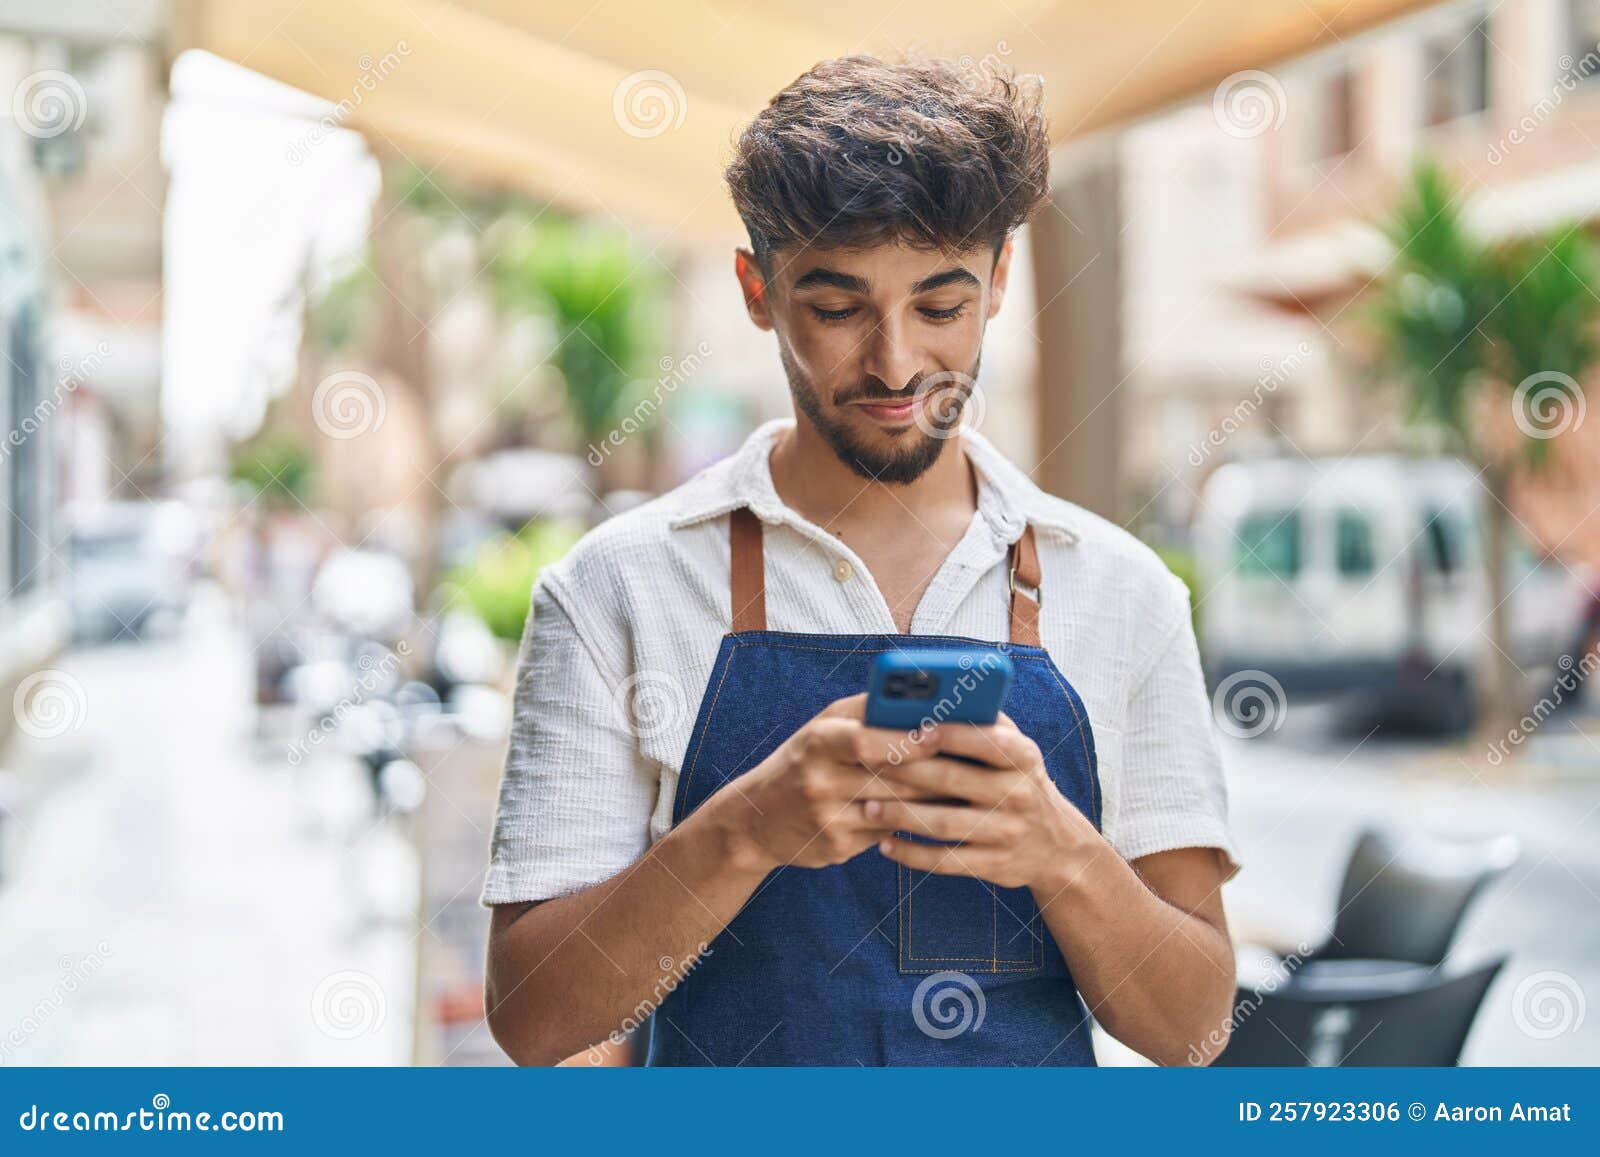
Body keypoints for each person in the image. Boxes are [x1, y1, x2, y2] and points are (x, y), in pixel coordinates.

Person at [482, 54, 1241, 1067]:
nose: (895, 363)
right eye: (836, 309)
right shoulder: (613, 591)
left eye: (940, 305)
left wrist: (1059, 851)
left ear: (1001, 278)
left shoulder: (1121, 591)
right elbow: (533, 1018)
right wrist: (746, 826)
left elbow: (1192, 1029)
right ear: (758, 289)